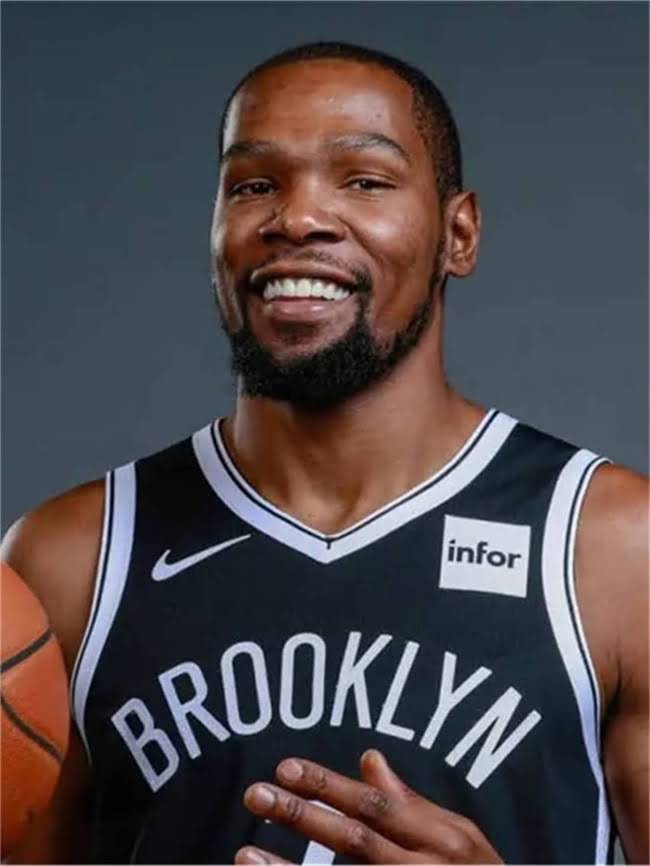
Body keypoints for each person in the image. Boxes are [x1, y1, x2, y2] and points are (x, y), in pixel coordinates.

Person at [3, 41, 647, 865]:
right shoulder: (73, 560)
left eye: (364, 180)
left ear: (458, 233)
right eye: (254, 185)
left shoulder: (614, 548)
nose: (298, 218)